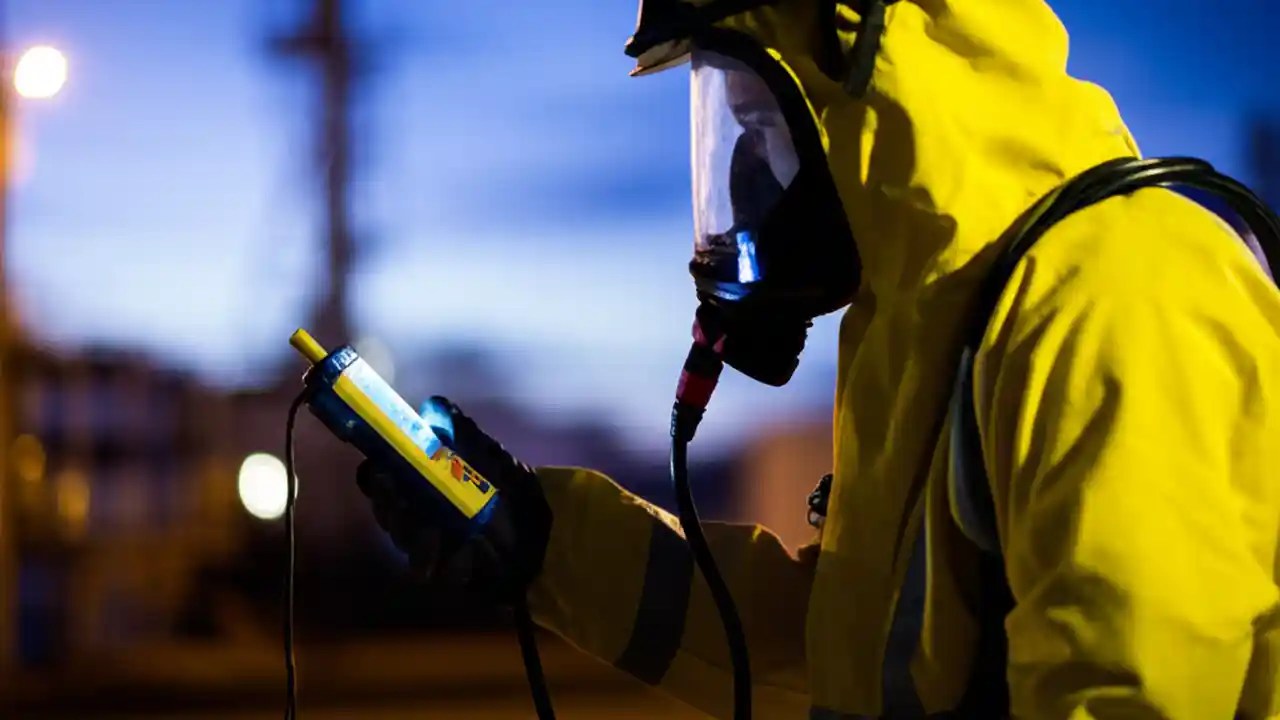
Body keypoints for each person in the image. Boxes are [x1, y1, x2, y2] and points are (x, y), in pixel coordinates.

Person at [356, 1, 1280, 717]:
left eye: (759, 125)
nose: (750, 173)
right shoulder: (930, 324)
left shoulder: (1113, 287)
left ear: (859, 62)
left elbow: (1120, 691)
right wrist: (543, 542)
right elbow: (845, 660)